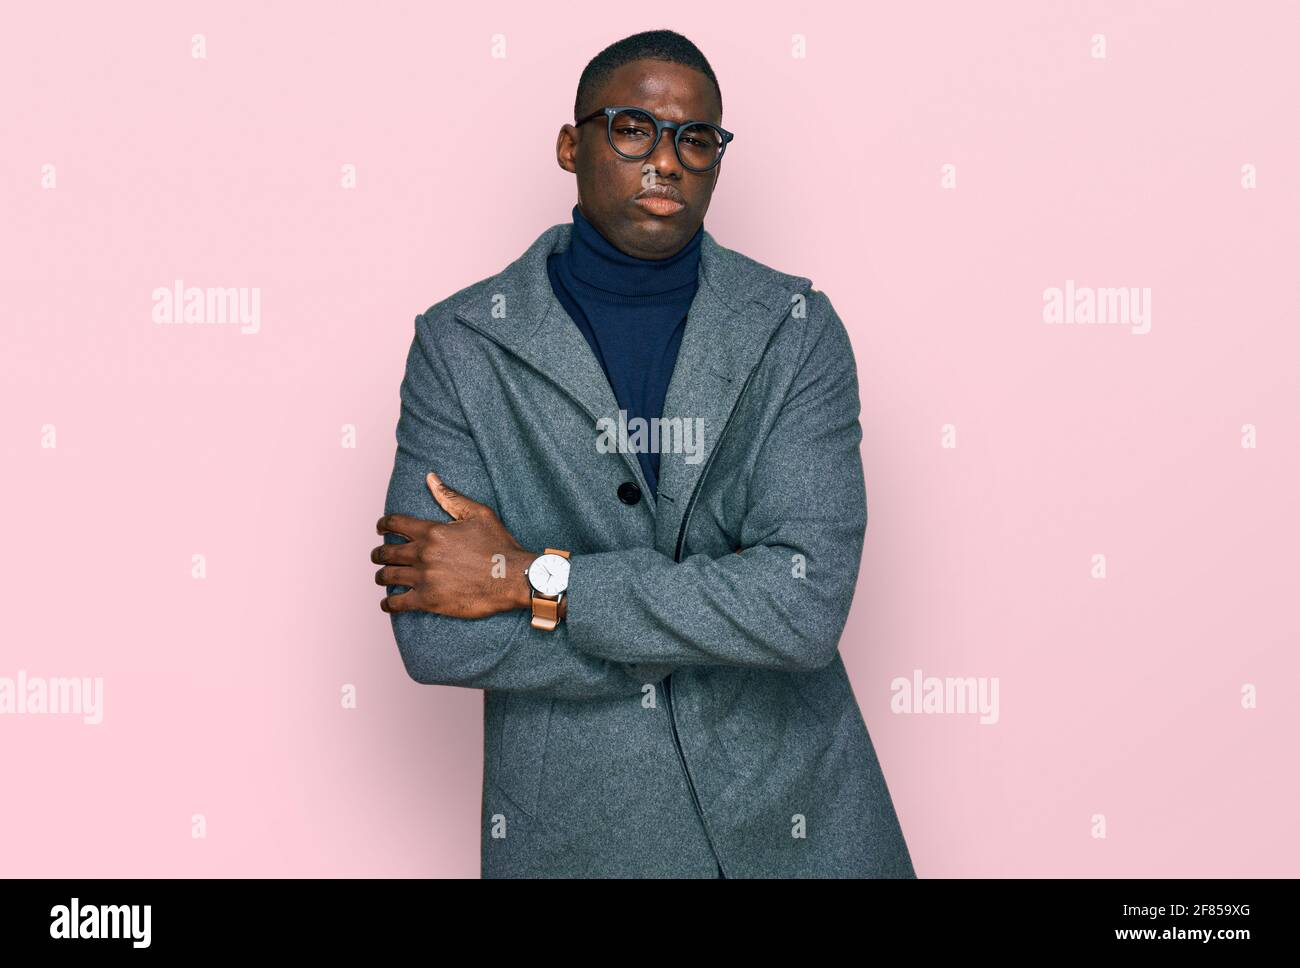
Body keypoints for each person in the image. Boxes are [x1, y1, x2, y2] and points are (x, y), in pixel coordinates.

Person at [372, 28, 915, 879]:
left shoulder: (796, 331)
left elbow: (804, 609)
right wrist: (723, 623)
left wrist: (529, 580)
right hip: (581, 835)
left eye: (696, 139)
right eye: (633, 128)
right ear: (570, 144)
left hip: (803, 823)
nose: (666, 159)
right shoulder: (461, 345)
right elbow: (436, 639)